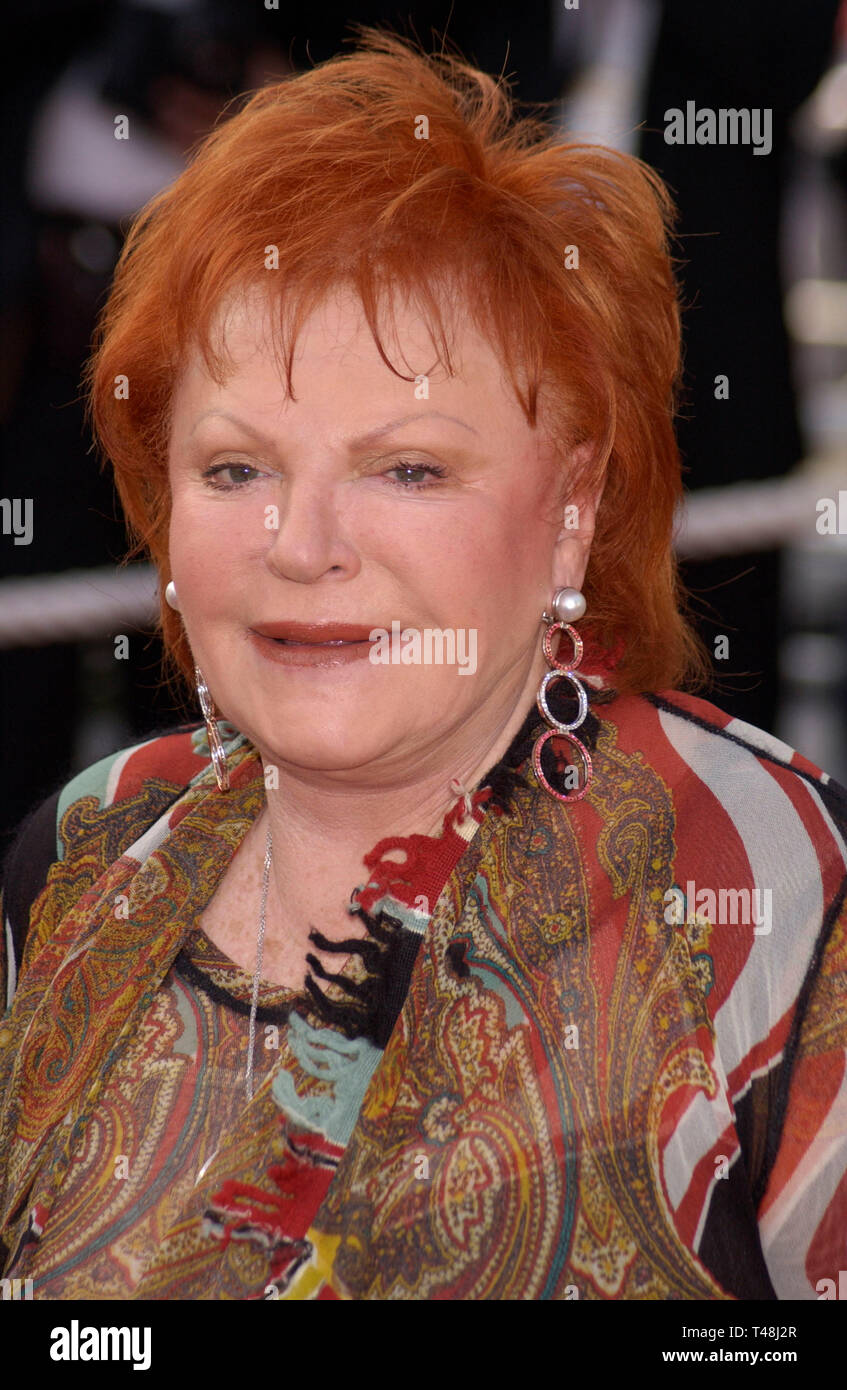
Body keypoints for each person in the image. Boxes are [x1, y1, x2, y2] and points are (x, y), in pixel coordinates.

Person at [1, 29, 845, 1302]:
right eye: (236, 468)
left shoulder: (782, 896)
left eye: (408, 468)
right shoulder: (78, 855)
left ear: (571, 505)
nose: (302, 546)